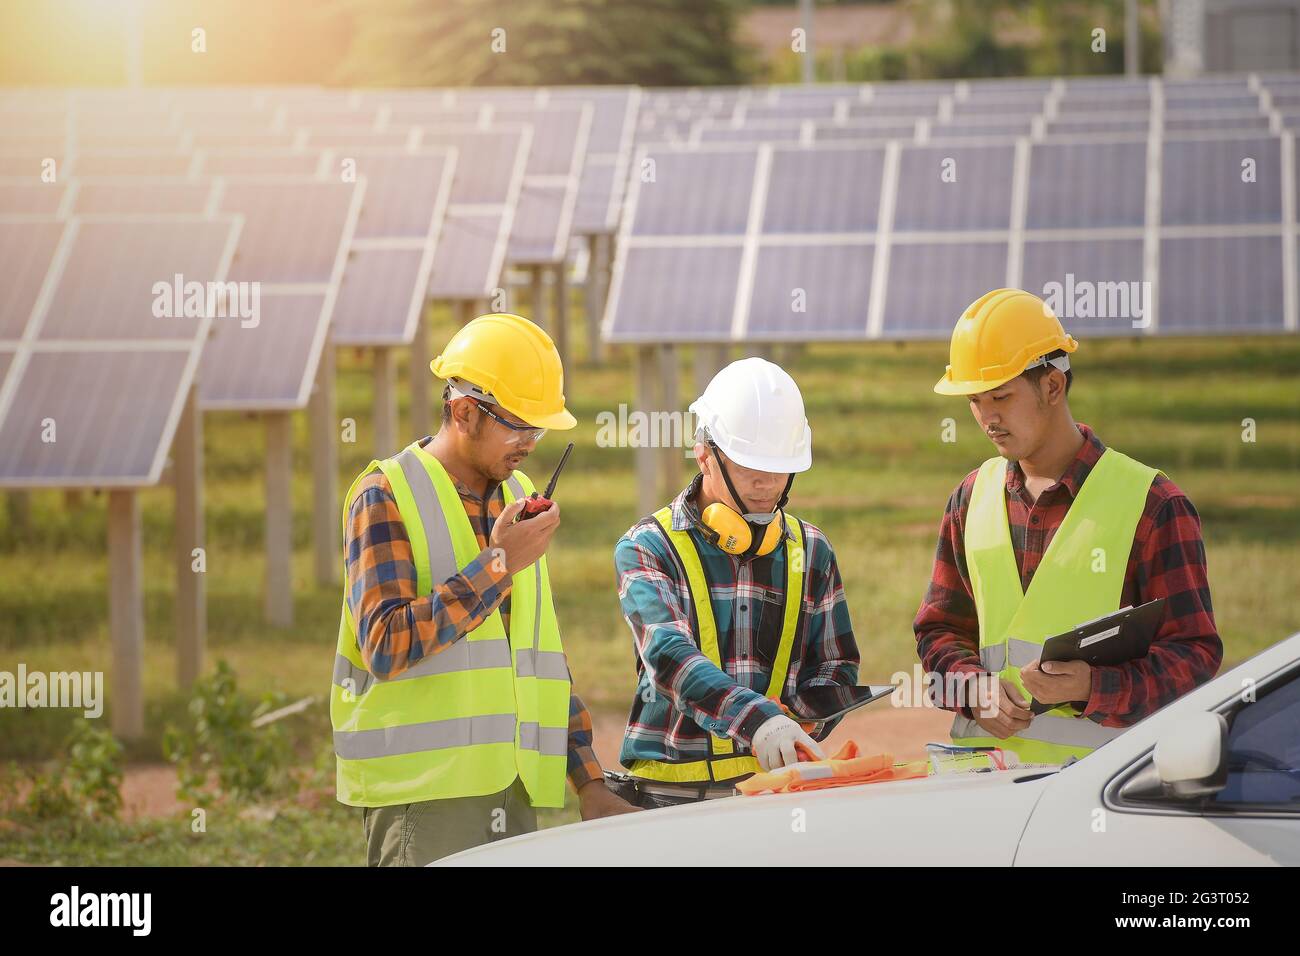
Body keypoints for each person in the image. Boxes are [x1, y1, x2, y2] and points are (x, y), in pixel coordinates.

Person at [331, 312, 635, 866]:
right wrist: (497, 565)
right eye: (517, 426)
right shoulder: (384, 495)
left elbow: (534, 657)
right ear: (465, 411)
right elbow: (385, 644)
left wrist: (588, 780)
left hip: (514, 791)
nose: (529, 443)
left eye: (537, 429)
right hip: (424, 801)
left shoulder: (516, 495)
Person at [915, 288, 1222, 764]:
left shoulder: (1154, 506)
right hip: (981, 794)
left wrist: (1094, 688)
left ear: (1053, 387)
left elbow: (1194, 658)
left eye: (1001, 396)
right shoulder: (970, 498)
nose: (987, 418)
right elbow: (938, 631)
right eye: (975, 400)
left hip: (1101, 794)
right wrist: (973, 689)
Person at [611, 357, 860, 808]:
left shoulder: (811, 550)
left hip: (775, 795)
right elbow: (670, 658)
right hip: (671, 797)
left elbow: (835, 666)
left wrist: (801, 722)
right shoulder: (647, 547)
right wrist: (758, 720)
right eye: (750, 467)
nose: (767, 483)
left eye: (781, 468)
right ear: (704, 453)